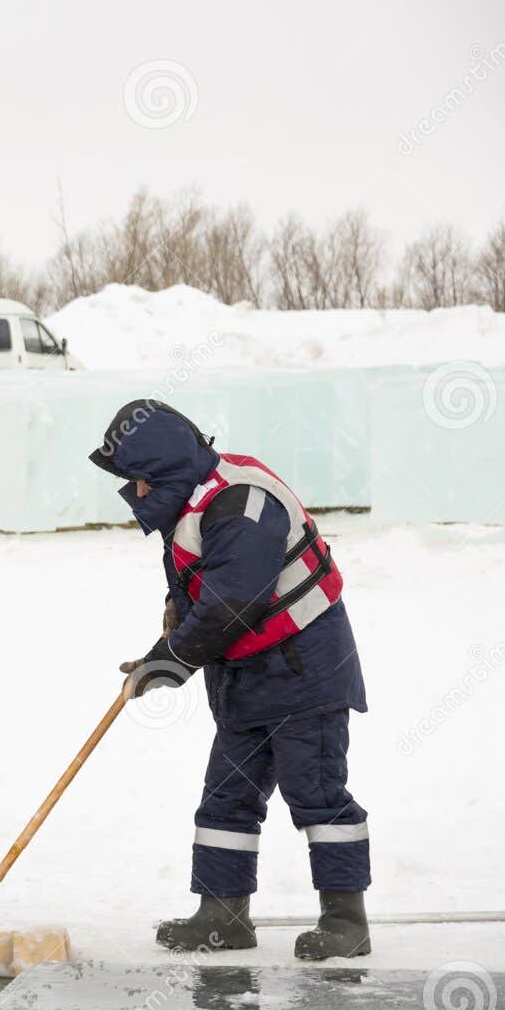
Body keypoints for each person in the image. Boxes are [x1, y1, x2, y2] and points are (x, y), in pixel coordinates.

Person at [91, 400, 371, 961]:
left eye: (143, 481)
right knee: (227, 796)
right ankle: (222, 915)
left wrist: (166, 661)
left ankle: (346, 921)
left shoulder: (242, 504)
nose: (139, 495)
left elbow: (231, 605)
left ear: (168, 469)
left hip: (304, 670)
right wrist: (174, 612)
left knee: (314, 792)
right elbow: (199, 582)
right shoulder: (195, 502)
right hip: (245, 676)